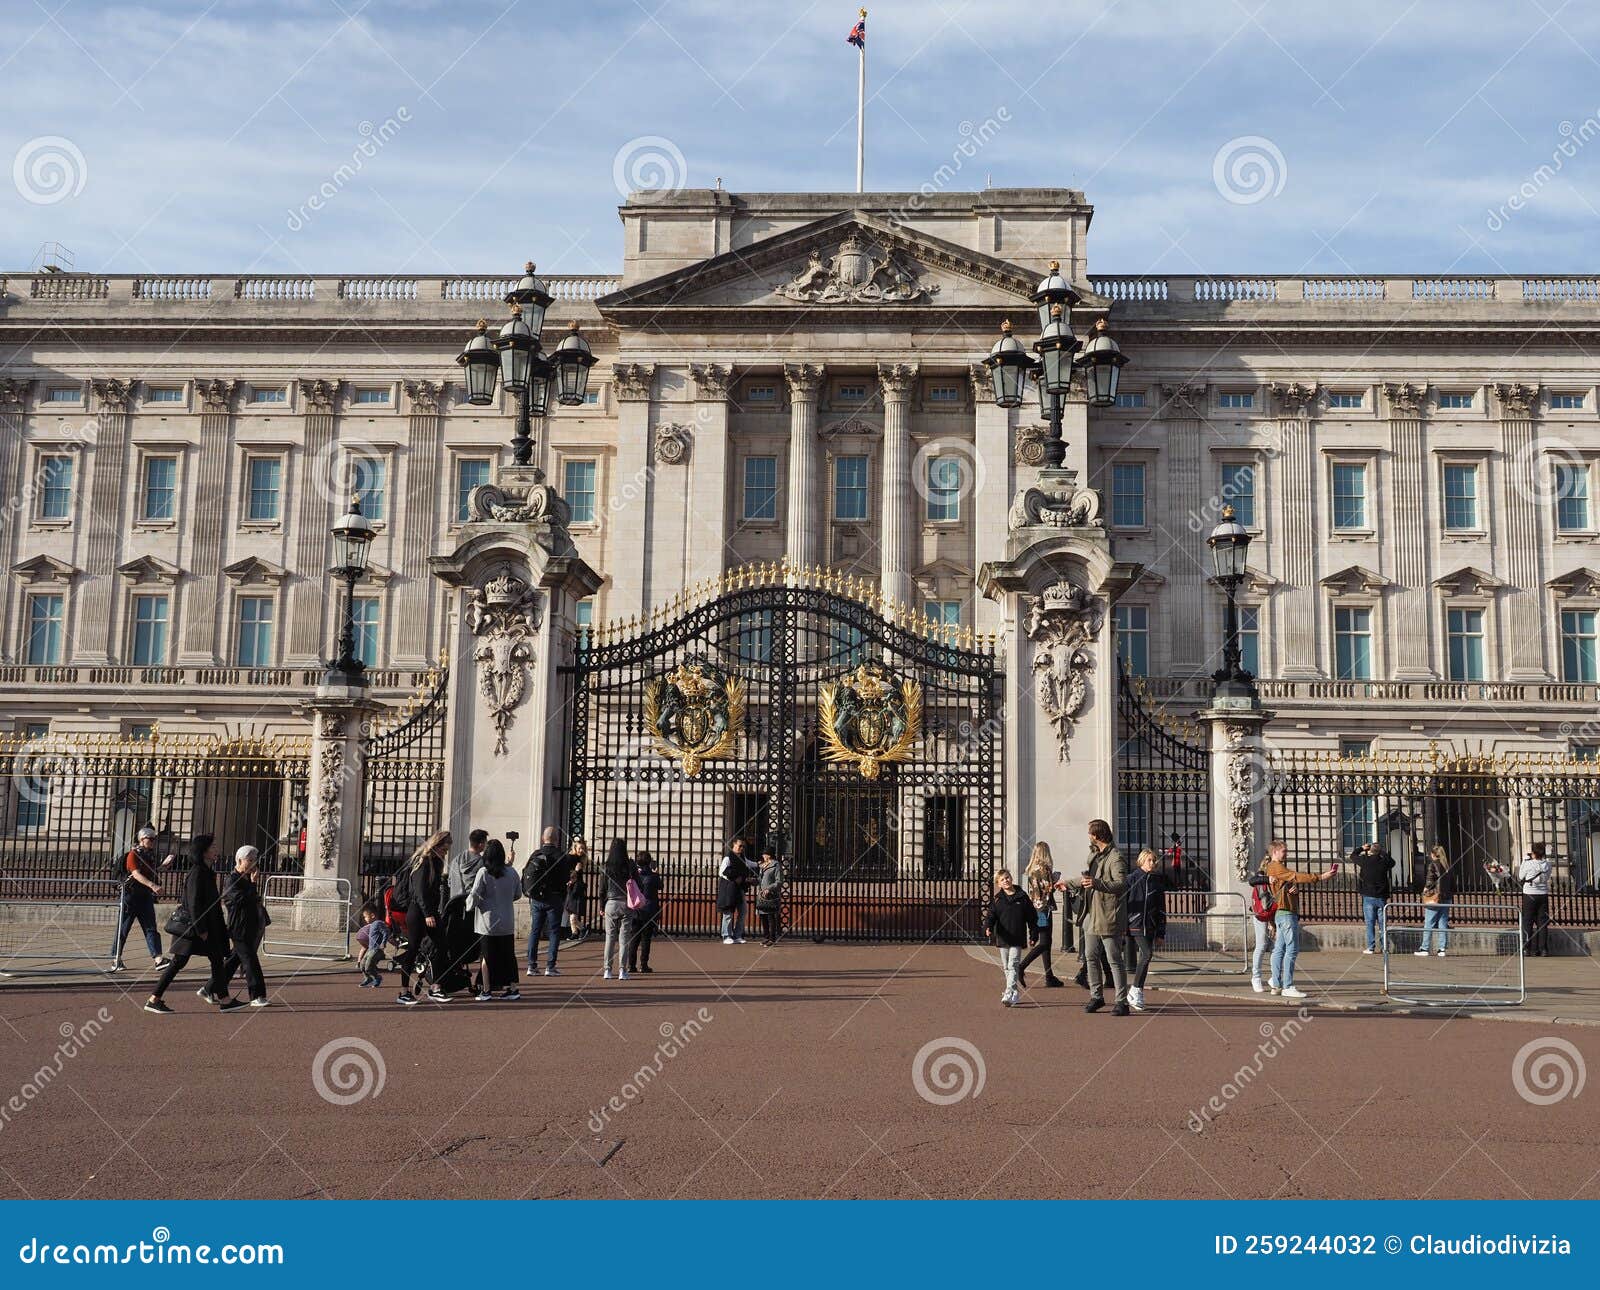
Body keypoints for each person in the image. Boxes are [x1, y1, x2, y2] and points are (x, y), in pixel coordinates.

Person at [144, 835, 243, 1014]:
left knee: (216, 960)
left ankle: (225, 999)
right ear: (203, 851)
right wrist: (201, 929)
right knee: (178, 962)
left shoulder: (207, 871)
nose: (216, 850)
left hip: (207, 926)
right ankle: (154, 999)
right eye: (213, 847)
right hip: (195, 928)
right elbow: (194, 903)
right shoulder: (197, 873)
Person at [1264, 839, 1338, 997]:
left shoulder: (1274, 867)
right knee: (1292, 949)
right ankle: (1287, 986)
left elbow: (1287, 884)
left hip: (1282, 913)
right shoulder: (1276, 866)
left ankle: (1276, 985)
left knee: (1279, 949)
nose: (1286, 854)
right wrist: (1320, 876)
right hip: (1286, 913)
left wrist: (1293, 891)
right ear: (1275, 852)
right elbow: (1295, 876)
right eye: (1284, 851)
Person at [1079, 819, 1131, 1016]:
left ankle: (1122, 1002)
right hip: (1091, 913)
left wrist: (1097, 883)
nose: (1088, 836)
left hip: (1108, 915)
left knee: (1114, 959)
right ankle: (1097, 997)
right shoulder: (1094, 855)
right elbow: (1088, 879)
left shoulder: (1116, 857)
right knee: (1090, 956)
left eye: (1089, 833)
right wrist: (1068, 883)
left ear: (1096, 835)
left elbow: (1121, 884)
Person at [395, 829, 451, 1006]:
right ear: (436, 845)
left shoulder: (436, 862)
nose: (445, 853)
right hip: (418, 911)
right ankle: (404, 992)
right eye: (444, 849)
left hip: (430, 911)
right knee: (412, 949)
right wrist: (428, 914)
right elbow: (420, 892)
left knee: (441, 946)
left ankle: (436, 987)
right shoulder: (424, 862)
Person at [111, 825, 174, 972]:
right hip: (130, 896)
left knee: (151, 927)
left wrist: (163, 866)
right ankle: (115, 959)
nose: (152, 841)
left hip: (145, 896)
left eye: (154, 839)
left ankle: (158, 959)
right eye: (149, 839)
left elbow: (151, 872)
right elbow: (136, 874)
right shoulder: (133, 855)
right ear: (141, 839)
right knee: (123, 929)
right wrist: (153, 885)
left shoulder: (149, 856)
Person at [468, 839, 522, 1000]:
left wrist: (470, 905)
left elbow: (474, 895)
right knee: (509, 956)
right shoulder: (512, 872)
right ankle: (513, 988)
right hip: (507, 922)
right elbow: (518, 894)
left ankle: (486, 990)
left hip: (487, 922)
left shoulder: (484, 872)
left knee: (486, 957)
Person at [218, 845, 270, 1008]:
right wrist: (253, 884)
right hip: (238, 927)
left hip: (249, 925)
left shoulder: (246, 878)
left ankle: (210, 988)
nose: (254, 863)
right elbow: (240, 900)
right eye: (250, 860)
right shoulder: (232, 879)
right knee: (250, 960)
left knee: (233, 961)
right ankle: (257, 995)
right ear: (240, 860)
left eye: (255, 860)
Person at [522, 826, 576, 976]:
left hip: (537, 898)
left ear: (542, 838)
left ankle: (531, 965)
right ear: (557, 839)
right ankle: (550, 967)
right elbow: (565, 877)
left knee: (535, 930)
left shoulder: (535, 854)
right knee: (554, 932)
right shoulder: (560, 855)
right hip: (554, 897)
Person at [1123, 847, 1168, 1012]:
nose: (1152, 863)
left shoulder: (1157, 882)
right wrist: (1123, 925)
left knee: (1145, 957)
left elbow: (1161, 909)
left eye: (1154, 860)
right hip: (1135, 923)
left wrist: (1161, 932)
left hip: (1150, 925)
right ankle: (1135, 990)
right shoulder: (1131, 879)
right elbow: (1122, 904)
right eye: (1149, 860)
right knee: (1147, 954)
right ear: (1141, 861)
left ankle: (1137, 991)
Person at [1016, 842, 1065, 989]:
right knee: (1044, 942)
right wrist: (1055, 879)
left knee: (1046, 942)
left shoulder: (1032, 869)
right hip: (1043, 910)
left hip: (1036, 909)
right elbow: (1048, 890)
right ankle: (1022, 966)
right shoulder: (1044, 869)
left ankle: (1049, 976)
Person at [983, 869, 1033, 1007]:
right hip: (1003, 937)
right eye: (1002, 879)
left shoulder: (1022, 897)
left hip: (1017, 937)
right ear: (998, 884)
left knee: (1013, 964)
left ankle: (1008, 991)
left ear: (1011, 878)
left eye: (1007, 877)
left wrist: (1033, 933)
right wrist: (988, 926)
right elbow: (991, 915)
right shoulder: (998, 899)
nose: (1006, 880)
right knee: (1006, 966)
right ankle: (1014, 992)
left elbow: (1031, 916)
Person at [601, 839, 636, 980]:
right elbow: (638, 884)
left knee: (609, 938)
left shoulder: (606, 866)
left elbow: (602, 889)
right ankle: (622, 970)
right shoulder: (630, 865)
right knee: (624, 939)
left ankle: (607, 970)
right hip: (626, 903)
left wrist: (601, 906)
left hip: (611, 902)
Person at [1353, 841, 1395, 954]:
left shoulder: (1365, 860)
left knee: (1370, 923)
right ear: (1379, 851)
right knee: (1382, 924)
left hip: (1368, 895)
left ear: (1370, 851)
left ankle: (1371, 947)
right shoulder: (1384, 861)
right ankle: (1384, 947)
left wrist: (1362, 848)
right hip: (1381, 896)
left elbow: (1353, 855)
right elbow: (1392, 862)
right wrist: (1382, 852)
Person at [1415, 844, 1455, 958]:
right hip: (1446, 897)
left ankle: (1425, 948)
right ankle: (1442, 949)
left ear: (1433, 854)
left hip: (1435, 897)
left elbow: (1430, 880)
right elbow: (1453, 883)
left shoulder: (1433, 864)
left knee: (1429, 923)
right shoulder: (1448, 865)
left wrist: (1425, 890)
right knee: (1443, 923)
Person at [628, 851, 665, 971]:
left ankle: (631, 965)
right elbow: (661, 886)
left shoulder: (634, 875)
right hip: (649, 909)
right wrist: (656, 873)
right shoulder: (653, 876)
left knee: (634, 938)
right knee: (646, 939)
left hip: (636, 909)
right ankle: (643, 965)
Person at [1518, 842, 1553, 957]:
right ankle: (1543, 949)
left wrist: (1524, 861)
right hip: (1543, 894)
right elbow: (1546, 876)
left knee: (1527, 921)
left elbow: (1520, 876)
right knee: (1542, 923)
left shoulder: (1528, 864)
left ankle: (1526, 948)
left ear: (1533, 853)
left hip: (1529, 894)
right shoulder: (1548, 864)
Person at [717, 838, 753, 944]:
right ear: (734, 845)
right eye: (740, 846)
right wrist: (734, 878)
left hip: (739, 888)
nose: (741, 848)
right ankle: (726, 935)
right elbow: (721, 872)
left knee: (743, 911)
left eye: (743, 846)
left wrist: (759, 864)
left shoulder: (742, 857)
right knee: (728, 912)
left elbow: (749, 863)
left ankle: (737, 935)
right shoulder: (728, 858)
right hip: (729, 888)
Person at [1248, 871, 1275, 993]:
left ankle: (1275, 977)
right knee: (1261, 945)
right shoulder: (1261, 879)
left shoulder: (1279, 876)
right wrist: (1268, 878)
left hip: (1274, 915)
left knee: (1276, 947)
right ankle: (1256, 977)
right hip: (1261, 916)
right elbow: (1252, 881)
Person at [753, 846, 782, 947]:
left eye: (764, 854)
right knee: (763, 916)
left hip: (771, 895)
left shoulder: (776, 865)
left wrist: (769, 888)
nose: (763, 856)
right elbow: (760, 880)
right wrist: (753, 881)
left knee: (770, 917)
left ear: (769, 855)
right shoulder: (763, 865)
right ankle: (766, 937)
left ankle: (772, 939)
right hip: (762, 895)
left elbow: (779, 881)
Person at [355, 902, 389, 987]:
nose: (365, 919)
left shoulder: (378, 923)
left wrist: (383, 943)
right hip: (370, 949)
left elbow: (386, 932)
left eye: (365, 917)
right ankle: (368, 978)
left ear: (372, 915)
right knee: (362, 965)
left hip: (376, 950)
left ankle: (377, 977)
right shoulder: (372, 925)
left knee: (368, 966)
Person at [564, 838, 590, 942]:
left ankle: (578, 931)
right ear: (574, 848)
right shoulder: (570, 858)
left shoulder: (580, 859)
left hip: (577, 889)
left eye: (583, 849)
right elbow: (569, 874)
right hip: (571, 889)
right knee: (571, 913)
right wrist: (575, 871)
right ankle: (579, 930)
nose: (581, 851)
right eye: (579, 848)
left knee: (573, 915)